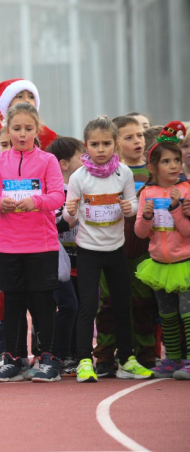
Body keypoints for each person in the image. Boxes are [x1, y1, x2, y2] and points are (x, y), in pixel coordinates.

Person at [64, 116, 154, 382]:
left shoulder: (124, 173)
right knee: (88, 305)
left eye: (106, 143)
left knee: (122, 303)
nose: (101, 149)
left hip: (116, 249)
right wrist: (70, 211)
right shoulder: (79, 177)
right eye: (95, 144)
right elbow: (69, 218)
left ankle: (126, 360)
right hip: (88, 250)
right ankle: (84, 361)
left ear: (115, 144)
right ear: (86, 146)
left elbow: (133, 206)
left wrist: (129, 208)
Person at [0, 103, 64, 382]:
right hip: (9, 245)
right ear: (7, 129)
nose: (22, 134)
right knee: (13, 304)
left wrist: (36, 201)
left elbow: (58, 196)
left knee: (42, 303)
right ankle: (14, 358)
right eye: (16, 128)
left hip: (42, 245)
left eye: (28, 129)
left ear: (37, 130)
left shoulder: (47, 161)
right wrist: (0, 203)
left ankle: (47, 358)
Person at [91, 115, 157, 376]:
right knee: (108, 304)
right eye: (129, 137)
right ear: (117, 143)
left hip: (144, 251)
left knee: (142, 303)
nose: (137, 141)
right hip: (111, 247)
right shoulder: (109, 174)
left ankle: (145, 354)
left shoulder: (153, 173)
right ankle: (105, 356)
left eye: (140, 135)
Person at [133, 124, 190, 379]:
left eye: (176, 160)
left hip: (184, 263)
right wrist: (146, 217)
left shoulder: (187, 190)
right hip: (158, 265)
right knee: (166, 315)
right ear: (152, 166)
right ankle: (172, 359)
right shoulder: (147, 193)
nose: (173, 165)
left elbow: (187, 231)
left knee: (187, 313)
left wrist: (176, 207)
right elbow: (140, 233)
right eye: (166, 161)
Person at [47, 136, 84, 377]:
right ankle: (57, 355)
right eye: (82, 157)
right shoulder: (54, 192)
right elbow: (50, 224)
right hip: (57, 260)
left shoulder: (84, 188)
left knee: (80, 307)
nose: (87, 161)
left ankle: (75, 353)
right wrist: (68, 219)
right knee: (66, 306)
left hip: (81, 258)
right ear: (64, 164)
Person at [0, 79, 58, 176]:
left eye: (31, 97)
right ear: (7, 102)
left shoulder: (46, 134)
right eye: (20, 96)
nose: (27, 100)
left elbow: (56, 168)